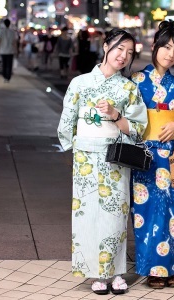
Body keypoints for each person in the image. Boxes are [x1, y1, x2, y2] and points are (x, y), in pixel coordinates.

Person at [57, 29, 148, 295]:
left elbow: (138, 128)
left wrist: (116, 114)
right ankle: (95, 273)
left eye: (130, 53)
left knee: (115, 214)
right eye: (120, 49)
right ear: (106, 45)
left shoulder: (128, 88)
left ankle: (116, 271)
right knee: (87, 215)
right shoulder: (80, 83)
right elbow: (68, 121)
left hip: (114, 157)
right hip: (85, 154)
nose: (124, 56)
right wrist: (76, 148)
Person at [130, 20, 174, 289]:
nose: (170, 54)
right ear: (155, 46)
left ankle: (171, 267)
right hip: (145, 157)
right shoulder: (136, 81)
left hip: (172, 158)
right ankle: (152, 269)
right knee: (145, 211)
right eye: (166, 47)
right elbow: (128, 119)